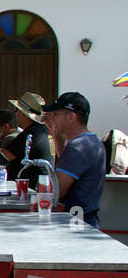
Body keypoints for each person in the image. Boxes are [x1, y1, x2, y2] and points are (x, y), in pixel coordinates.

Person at [42, 92, 105, 228]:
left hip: (75, 225)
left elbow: (57, 191)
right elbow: (70, 165)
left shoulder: (78, 148)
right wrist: (55, 135)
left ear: (71, 117)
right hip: (86, 221)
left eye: (55, 114)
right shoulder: (91, 141)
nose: (51, 118)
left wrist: (39, 192)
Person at [2, 91, 55, 184]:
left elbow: (1, 157)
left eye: (16, 109)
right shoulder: (43, 131)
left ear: (23, 113)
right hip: (43, 188)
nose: (15, 114)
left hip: (31, 192)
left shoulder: (31, 134)